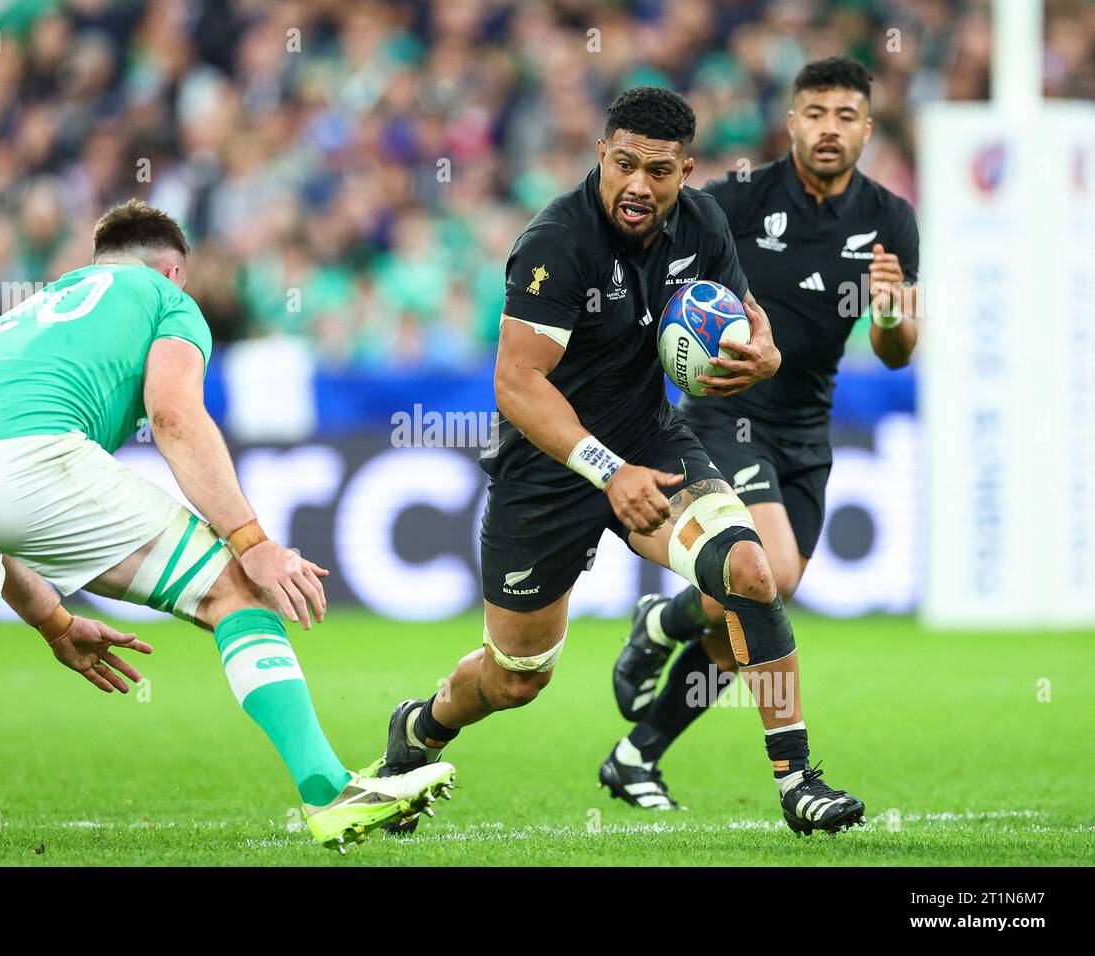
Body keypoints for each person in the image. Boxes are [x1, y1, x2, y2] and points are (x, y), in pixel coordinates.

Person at [0, 200, 453, 856]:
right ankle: (327, 792)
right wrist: (252, 543)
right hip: (31, 456)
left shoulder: (32, 309)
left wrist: (55, 623)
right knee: (238, 593)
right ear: (174, 271)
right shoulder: (165, 300)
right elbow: (174, 417)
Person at [367, 88, 865, 837]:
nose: (639, 184)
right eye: (624, 164)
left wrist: (763, 359)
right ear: (602, 154)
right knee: (515, 678)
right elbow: (515, 383)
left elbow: (738, 329)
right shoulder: (555, 243)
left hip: (654, 447)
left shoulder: (702, 225)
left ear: (685, 171)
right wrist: (606, 471)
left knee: (752, 575)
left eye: (659, 171)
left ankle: (797, 779)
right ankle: (420, 728)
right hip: (547, 469)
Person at [607, 58, 917, 820]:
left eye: (846, 115)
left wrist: (886, 313)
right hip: (723, 417)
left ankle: (637, 744)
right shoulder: (738, 201)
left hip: (808, 428)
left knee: (742, 619)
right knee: (764, 577)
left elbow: (898, 350)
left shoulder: (891, 220)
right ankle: (789, 772)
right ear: (792, 120)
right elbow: (662, 270)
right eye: (816, 112)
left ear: (866, 129)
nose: (829, 129)